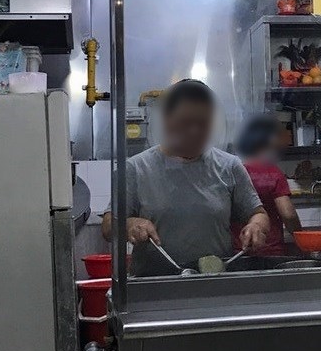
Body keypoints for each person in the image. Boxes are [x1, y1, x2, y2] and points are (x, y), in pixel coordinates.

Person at [102, 79, 269, 272]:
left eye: (203, 123)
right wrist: (129, 224)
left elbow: (258, 214)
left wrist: (257, 226)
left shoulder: (229, 166)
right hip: (153, 287)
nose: (195, 131)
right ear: (166, 119)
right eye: (186, 122)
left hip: (215, 284)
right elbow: (107, 226)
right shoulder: (135, 168)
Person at [234, 115, 302, 256]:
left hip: (238, 253)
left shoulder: (234, 170)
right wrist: (301, 238)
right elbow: (288, 214)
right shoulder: (273, 173)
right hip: (270, 251)